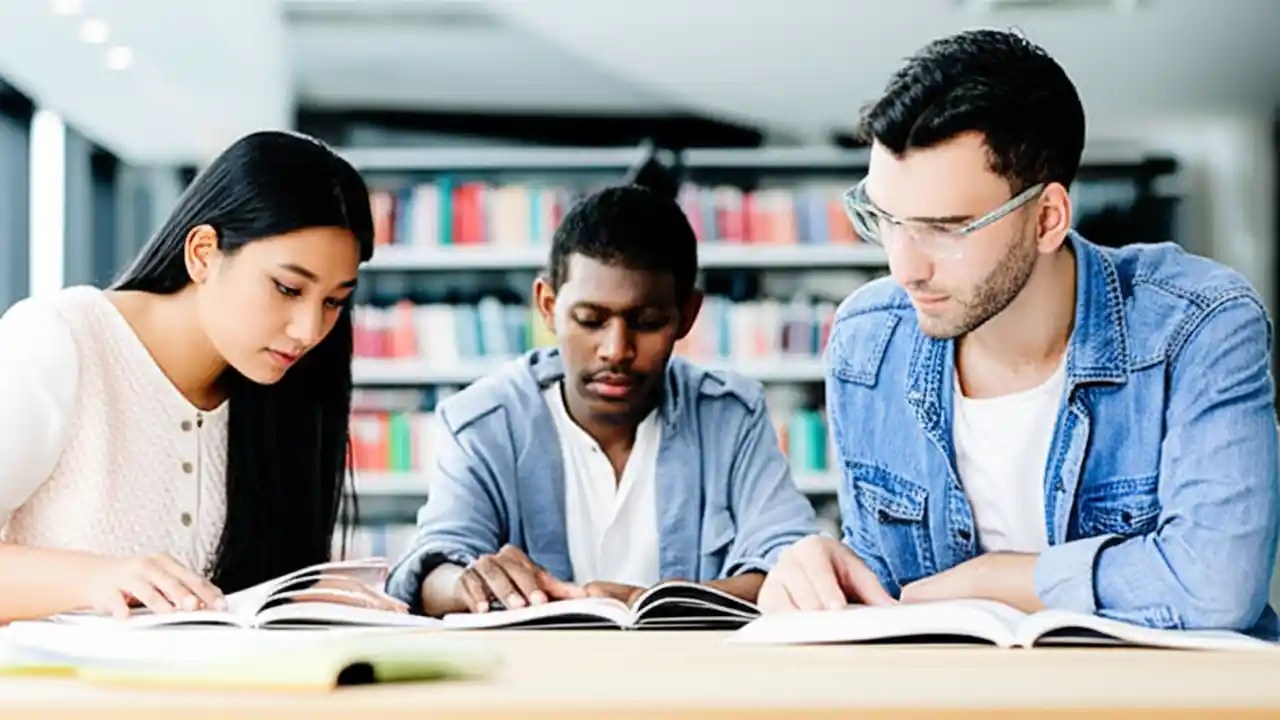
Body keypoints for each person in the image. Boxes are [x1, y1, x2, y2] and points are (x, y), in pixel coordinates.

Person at [759, 29, 1279, 636]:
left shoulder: (1198, 328)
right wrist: (821, 573)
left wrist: (993, 579)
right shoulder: (867, 341)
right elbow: (889, 592)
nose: (904, 267)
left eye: (945, 228)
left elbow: (1217, 587)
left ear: (1048, 218)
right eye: (885, 219)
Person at [0, 130, 406, 620]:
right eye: (287, 287)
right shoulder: (56, 339)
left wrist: (294, 600)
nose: (309, 330)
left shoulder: (286, 396)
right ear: (202, 253)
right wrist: (94, 578)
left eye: (334, 301)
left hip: (210, 695)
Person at [386, 185, 818, 616]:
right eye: (590, 320)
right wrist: (467, 583)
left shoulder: (730, 417)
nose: (616, 349)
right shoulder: (483, 422)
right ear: (548, 306)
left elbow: (791, 564)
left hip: (693, 677)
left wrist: (651, 603)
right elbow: (431, 568)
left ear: (687, 316)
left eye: (647, 323)